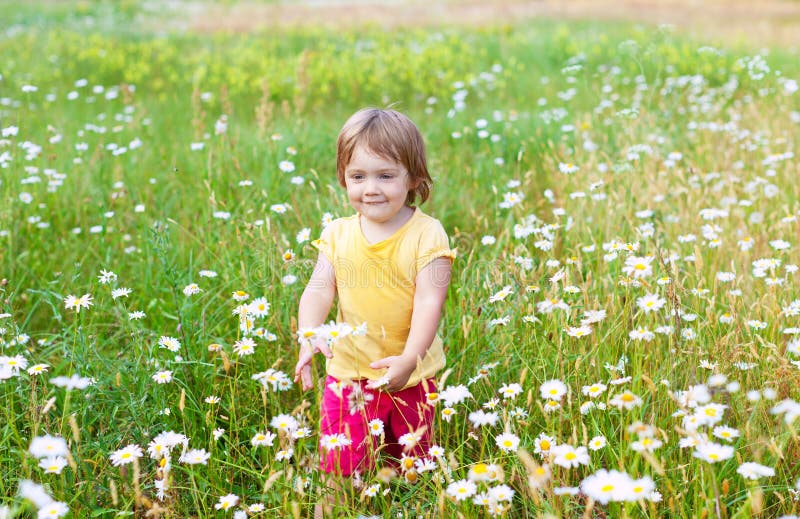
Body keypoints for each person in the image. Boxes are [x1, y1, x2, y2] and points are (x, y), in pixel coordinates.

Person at [293, 107, 455, 494]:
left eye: (385, 175)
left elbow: (429, 303)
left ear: (414, 177)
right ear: (343, 177)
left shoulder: (427, 235)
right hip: (349, 373)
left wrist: (409, 360)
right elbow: (319, 288)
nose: (370, 188)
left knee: (413, 470)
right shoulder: (337, 234)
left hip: (411, 374)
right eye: (358, 176)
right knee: (339, 472)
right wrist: (309, 334)